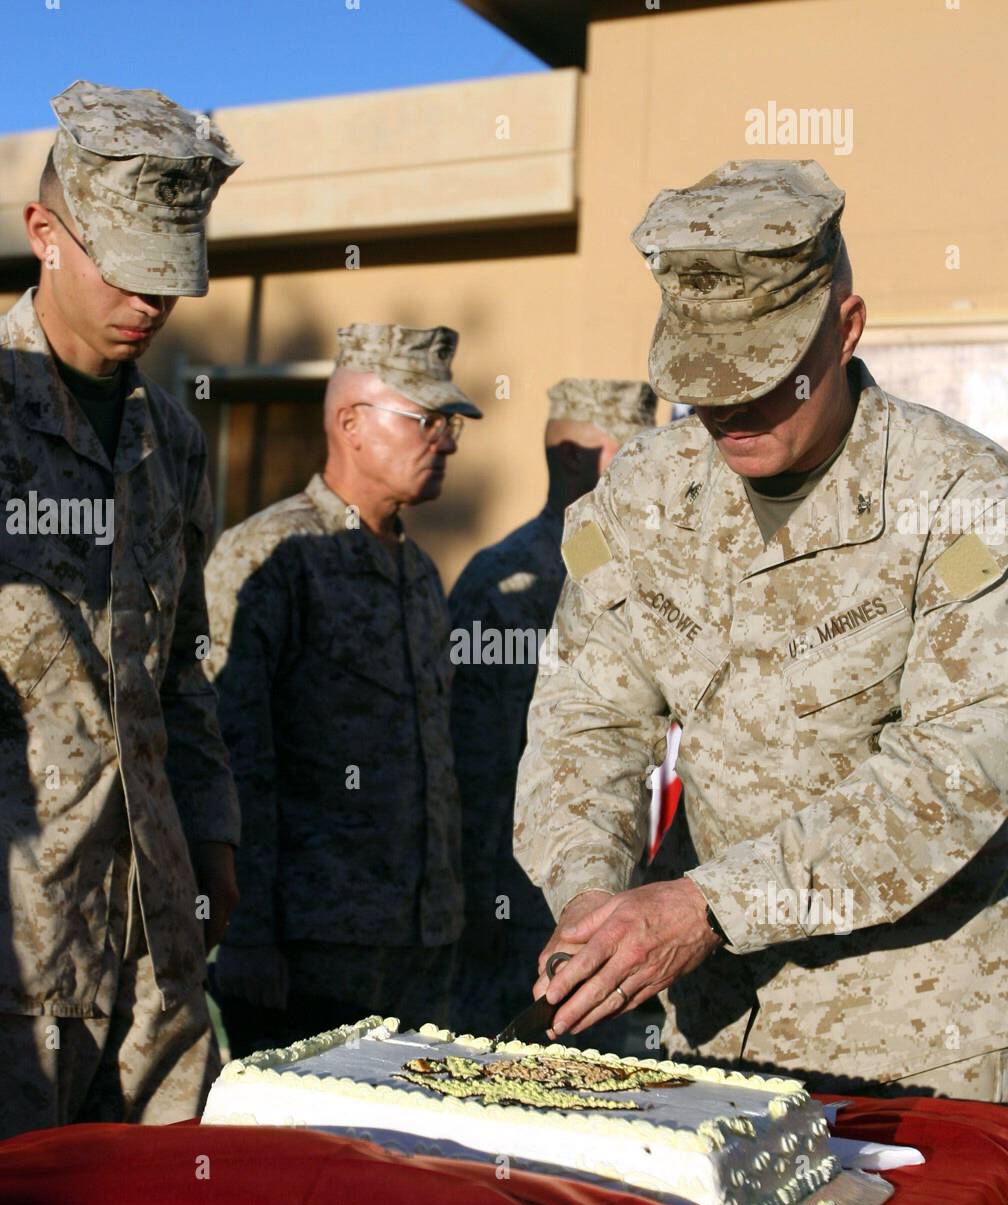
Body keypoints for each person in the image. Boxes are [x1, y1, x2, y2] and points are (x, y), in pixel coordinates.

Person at [514, 159, 1008, 1102]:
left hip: (915, 1042)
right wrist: (588, 895)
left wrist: (710, 905)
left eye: (767, 375)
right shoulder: (641, 498)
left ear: (848, 327)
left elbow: (961, 767)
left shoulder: (966, 501)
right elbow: (586, 720)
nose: (732, 410)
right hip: (711, 1035)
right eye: (704, 383)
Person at [0, 80, 242, 1139]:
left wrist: (217, 836)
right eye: (126, 271)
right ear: (42, 231)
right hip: (14, 962)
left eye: (169, 280)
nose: (147, 305)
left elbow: (182, 661)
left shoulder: (171, 441)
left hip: (154, 951)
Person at [206, 324, 480, 1052]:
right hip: (310, 956)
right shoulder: (272, 556)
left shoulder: (419, 573)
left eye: (451, 424)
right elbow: (234, 760)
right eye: (427, 421)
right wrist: (250, 934)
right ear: (351, 424)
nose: (448, 442)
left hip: (422, 948)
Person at [447, 378, 656, 1041]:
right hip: (523, 895)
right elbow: (474, 765)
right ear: (574, 456)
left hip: (633, 889)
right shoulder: (506, 580)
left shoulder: (645, 568)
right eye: (633, 450)